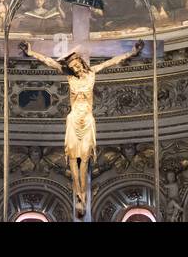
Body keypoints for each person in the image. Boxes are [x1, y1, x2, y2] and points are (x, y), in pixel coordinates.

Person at [19, 40, 145, 218]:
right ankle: (78, 196)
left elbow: (111, 62)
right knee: (72, 159)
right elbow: (50, 62)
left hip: (86, 121)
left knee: (84, 160)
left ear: (81, 62)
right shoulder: (70, 77)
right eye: (72, 67)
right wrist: (31, 53)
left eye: (77, 65)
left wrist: (131, 53)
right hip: (73, 120)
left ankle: (83, 196)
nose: (76, 68)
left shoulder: (92, 74)